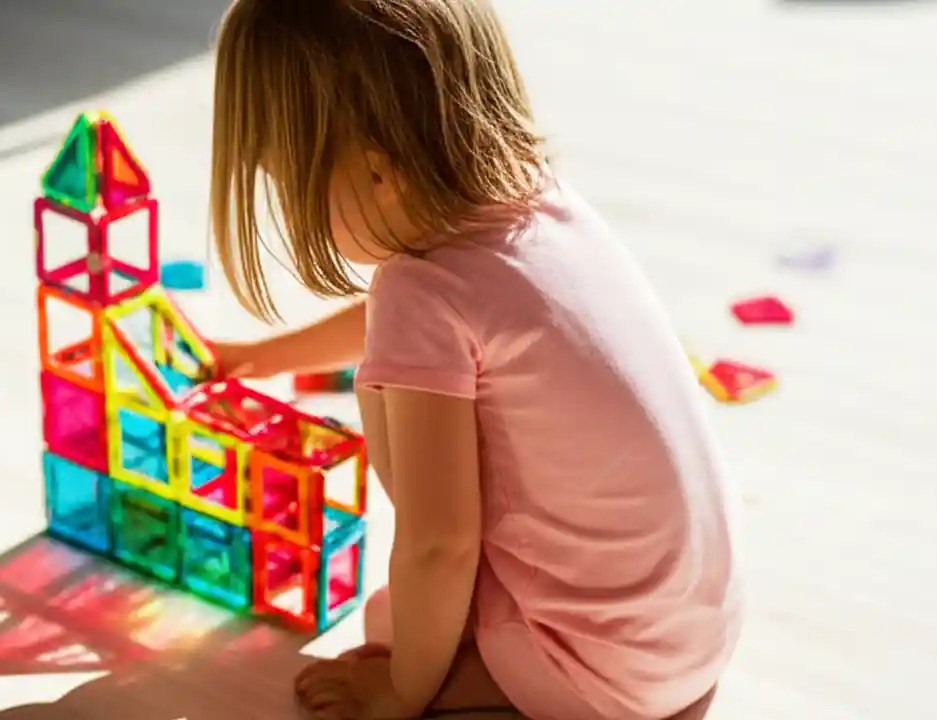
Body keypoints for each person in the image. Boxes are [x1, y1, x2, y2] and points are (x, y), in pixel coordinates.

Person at [207, 1, 743, 718]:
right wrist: (262, 357)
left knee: (396, 625)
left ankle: (487, 684)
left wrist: (402, 689)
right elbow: (413, 327)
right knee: (406, 388)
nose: (289, 203)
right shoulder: (542, 204)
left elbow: (439, 547)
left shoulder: (419, 292)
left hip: (608, 675)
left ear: (377, 173)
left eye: (287, 181)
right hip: (690, 634)